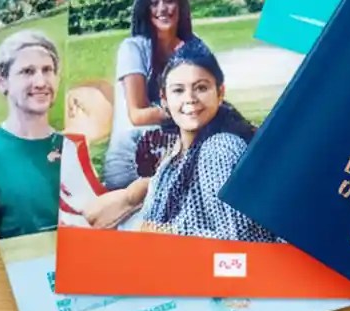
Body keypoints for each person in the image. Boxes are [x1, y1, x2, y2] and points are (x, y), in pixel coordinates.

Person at [91, 41, 278, 242]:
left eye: (201, 88)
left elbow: (240, 243)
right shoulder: (175, 157)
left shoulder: (219, 150)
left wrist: (167, 232)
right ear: (164, 98)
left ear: (220, 92)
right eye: (178, 90)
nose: (190, 98)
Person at [102, 0, 204, 190]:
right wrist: (189, 109)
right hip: (133, 157)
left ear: (180, 5)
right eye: (153, 3)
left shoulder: (195, 47)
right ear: (145, 10)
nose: (162, 9)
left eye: (169, 0)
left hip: (175, 149)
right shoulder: (134, 48)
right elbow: (137, 115)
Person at [0, 30, 64, 240]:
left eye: (47, 70)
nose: (40, 82)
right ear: (2, 82)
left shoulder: (72, 148)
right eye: (28, 71)